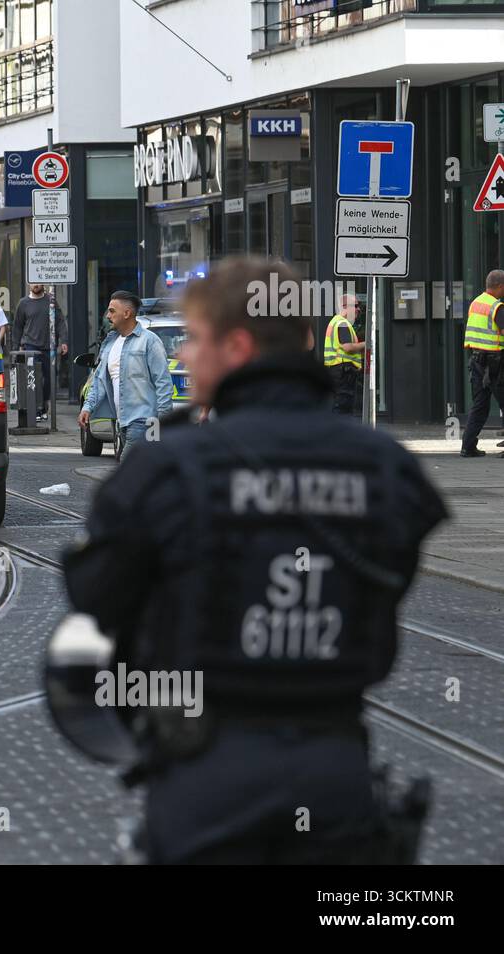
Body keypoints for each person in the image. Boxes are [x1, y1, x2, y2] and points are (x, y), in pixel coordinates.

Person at [50, 258, 446, 863]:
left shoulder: (168, 469)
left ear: (235, 347)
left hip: (206, 782)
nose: (183, 357)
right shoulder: (386, 468)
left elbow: (96, 594)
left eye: (196, 340)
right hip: (337, 777)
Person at [77, 291, 173, 460]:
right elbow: (99, 381)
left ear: (127, 313)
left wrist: (163, 422)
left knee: (127, 469)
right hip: (122, 422)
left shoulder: (149, 341)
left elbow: (163, 383)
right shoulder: (110, 343)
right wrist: (87, 407)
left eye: (112, 311)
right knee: (143, 474)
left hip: (144, 421)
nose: (108, 315)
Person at [460, 269, 504, 458]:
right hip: (495, 362)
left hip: (476, 360)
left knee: (479, 404)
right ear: (500, 286)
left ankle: (467, 446)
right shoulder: (496, 307)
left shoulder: (475, 303)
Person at [11, 284, 68, 422]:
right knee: (34, 379)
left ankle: (44, 404)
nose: (36, 285)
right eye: (33, 282)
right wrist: (16, 347)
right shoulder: (23, 303)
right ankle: (36, 408)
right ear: (29, 284)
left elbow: (60, 321)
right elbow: (17, 326)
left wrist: (64, 341)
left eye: (38, 282)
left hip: (49, 348)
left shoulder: (50, 302)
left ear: (43, 284)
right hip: (31, 347)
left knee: (49, 378)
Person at [323, 294, 365, 415]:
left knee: (339, 406)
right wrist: (367, 344)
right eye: (356, 306)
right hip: (343, 372)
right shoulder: (342, 323)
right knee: (342, 408)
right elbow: (347, 347)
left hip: (337, 370)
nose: (359, 309)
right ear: (345, 306)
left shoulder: (337, 322)